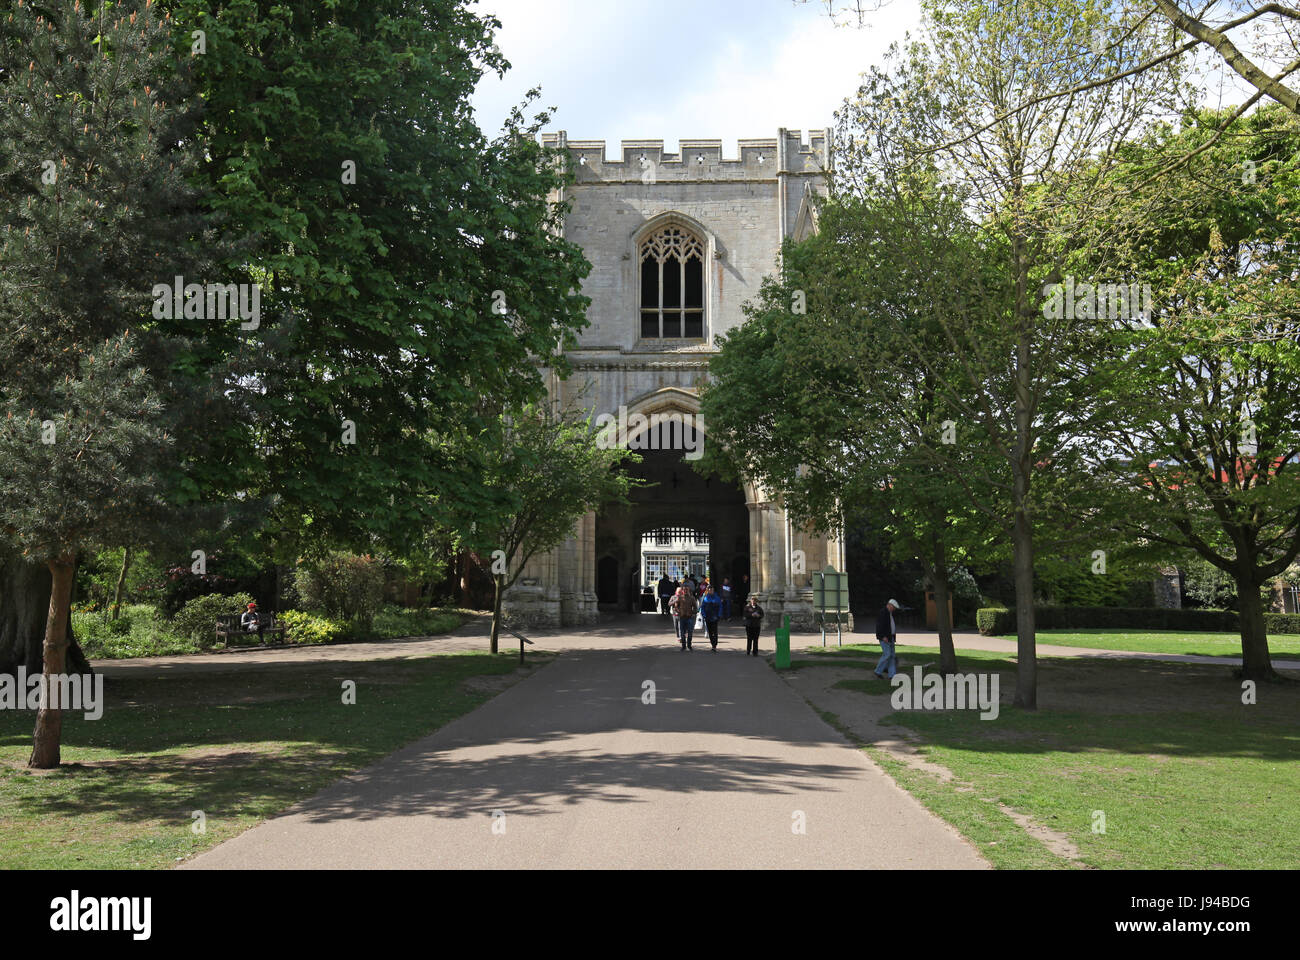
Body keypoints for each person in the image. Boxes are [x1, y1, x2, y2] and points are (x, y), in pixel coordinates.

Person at [874, 598, 900, 680]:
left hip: (890, 637)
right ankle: (878, 671)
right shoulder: (883, 613)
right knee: (888, 654)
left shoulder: (889, 613)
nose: (894, 609)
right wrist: (883, 636)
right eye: (894, 607)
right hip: (885, 638)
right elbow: (879, 626)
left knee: (892, 656)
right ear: (889, 605)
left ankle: (892, 675)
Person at [670, 584, 698, 651]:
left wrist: (693, 612)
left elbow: (695, 607)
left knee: (690, 632)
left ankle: (689, 645)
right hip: (682, 617)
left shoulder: (692, 598)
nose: (685, 591)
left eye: (687, 590)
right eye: (684, 589)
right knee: (682, 633)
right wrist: (679, 612)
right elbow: (676, 607)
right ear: (682, 590)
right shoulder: (679, 597)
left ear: (689, 590)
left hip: (689, 617)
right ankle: (683, 646)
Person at [700, 584, 723, 652]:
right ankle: (712, 644)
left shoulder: (717, 598)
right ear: (708, 590)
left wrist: (719, 615)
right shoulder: (705, 598)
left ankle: (714, 645)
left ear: (713, 590)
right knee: (710, 632)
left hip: (715, 617)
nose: (710, 591)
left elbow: (720, 607)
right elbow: (702, 607)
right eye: (709, 590)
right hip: (708, 617)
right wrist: (704, 615)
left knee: (715, 632)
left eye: (711, 590)